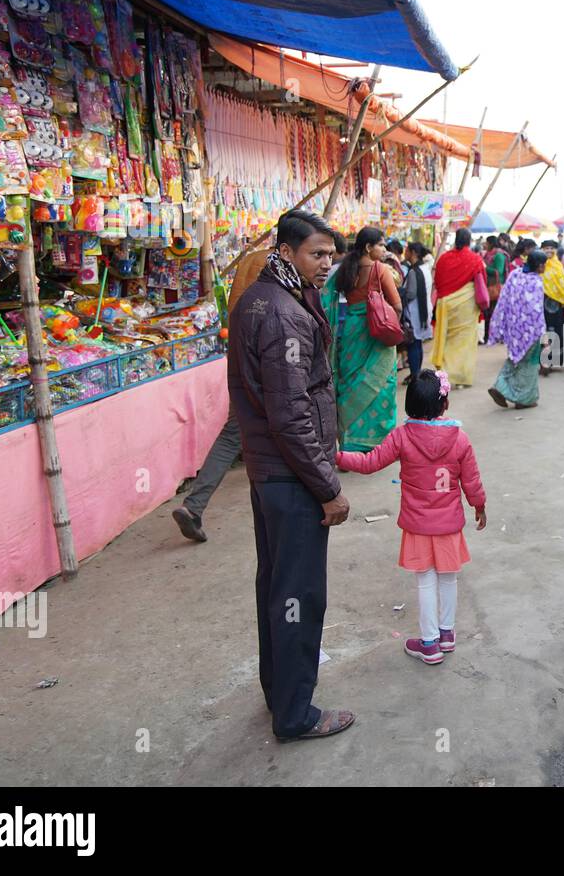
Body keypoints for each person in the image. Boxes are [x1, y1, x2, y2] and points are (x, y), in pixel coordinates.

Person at [228, 209, 353, 741]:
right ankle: (296, 714)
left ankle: (280, 693)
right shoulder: (281, 312)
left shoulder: (270, 297)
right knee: (299, 594)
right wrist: (327, 487)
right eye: (316, 254)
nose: (326, 264)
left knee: (279, 589)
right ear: (285, 252)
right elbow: (290, 415)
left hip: (273, 472)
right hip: (291, 475)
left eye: (330, 256)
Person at [337, 369, 486, 665]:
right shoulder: (460, 439)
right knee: (448, 578)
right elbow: (471, 480)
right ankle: (447, 634)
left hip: (418, 525)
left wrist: (336, 456)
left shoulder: (402, 436)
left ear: (409, 405)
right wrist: (479, 505)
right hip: (449, 525)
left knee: (426, 581)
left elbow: (369, 463)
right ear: (444, 404)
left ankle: (429, 643)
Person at [171, 245, 271, 543]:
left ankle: (194, 505)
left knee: (233, 434)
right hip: (265, 358)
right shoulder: (280, 263)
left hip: (240, 353)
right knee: (276, 429)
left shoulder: (249, 261)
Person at [321, 226, 403, 453]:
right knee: (381, 385)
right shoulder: (380, 269)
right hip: (376, 333)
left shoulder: (346, 268)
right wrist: (389, 324)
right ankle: (376, 444)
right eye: (381, 245)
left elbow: (325, 296)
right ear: (368, 247)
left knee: (349, 383)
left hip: (351, 332)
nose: (384, 249)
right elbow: (397, 306)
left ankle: (348, 442)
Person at [487, 249, 547, 409]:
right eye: (544, 264)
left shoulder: (515, 274)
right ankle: (523, 399)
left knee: (515, 359)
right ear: (539, 265)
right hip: (531, 330)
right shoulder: (536, 281)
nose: (545, 267)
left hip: (514, 328)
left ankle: (500, 385)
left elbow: (504, 299)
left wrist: (501, 324)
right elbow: (537, 311)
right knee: (528, 365)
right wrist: (543, 332)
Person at [430, 227, 484, 388]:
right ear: (469, 240)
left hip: (445, 304)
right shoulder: (475, 259)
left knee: (447, 339)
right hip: (466, 305)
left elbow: (438, 282)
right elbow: (481, 281)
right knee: (464, 341)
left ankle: (446, 374)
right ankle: (460, 376)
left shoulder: (444, 258)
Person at [539, 239, 564, 372]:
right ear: (542, 250)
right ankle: (543, 362)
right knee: (543, 331)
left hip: (557, 305)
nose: (549, 250)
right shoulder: (539, 264)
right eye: (546, 248)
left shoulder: (558, 265)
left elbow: (562, 285)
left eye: (551, 248)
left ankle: (553, 360)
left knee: (556, 331)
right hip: (541, 302)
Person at [401, 242, 433, 383]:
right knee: (417, 343)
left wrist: (399, 292)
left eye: (407, 250)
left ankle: (415, 376)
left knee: (413, 344)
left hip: (414, 313)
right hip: (423, 311)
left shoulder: (414, 272)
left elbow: (411, 293)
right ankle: (416, 374)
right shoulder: (425, 268)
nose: (405, 253)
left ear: (413, 253)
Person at [482, 234, 508, 342]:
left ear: (490, 244)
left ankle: (493, 336)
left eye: (486, 243)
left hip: (496, 287)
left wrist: (484, 267)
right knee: (488, 312)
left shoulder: (498, 255)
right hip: (488, 286)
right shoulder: (488, 255)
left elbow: (498, 271)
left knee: (492, 312)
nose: (484, 244)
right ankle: (488, 335)